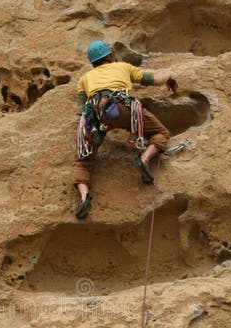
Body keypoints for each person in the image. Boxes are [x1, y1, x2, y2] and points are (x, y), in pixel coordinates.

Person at [73, 40, 179, 219]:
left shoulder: (84, 79)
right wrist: (170, 74)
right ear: (109, 56)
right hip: (125, 109)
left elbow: (82, 108)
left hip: (97, 116)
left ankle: (84, 198)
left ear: (92, 62)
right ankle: (144, 159)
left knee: (82, 161)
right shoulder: (122, 67)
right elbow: (154, 80)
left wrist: (90, 127)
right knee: (161, 133)